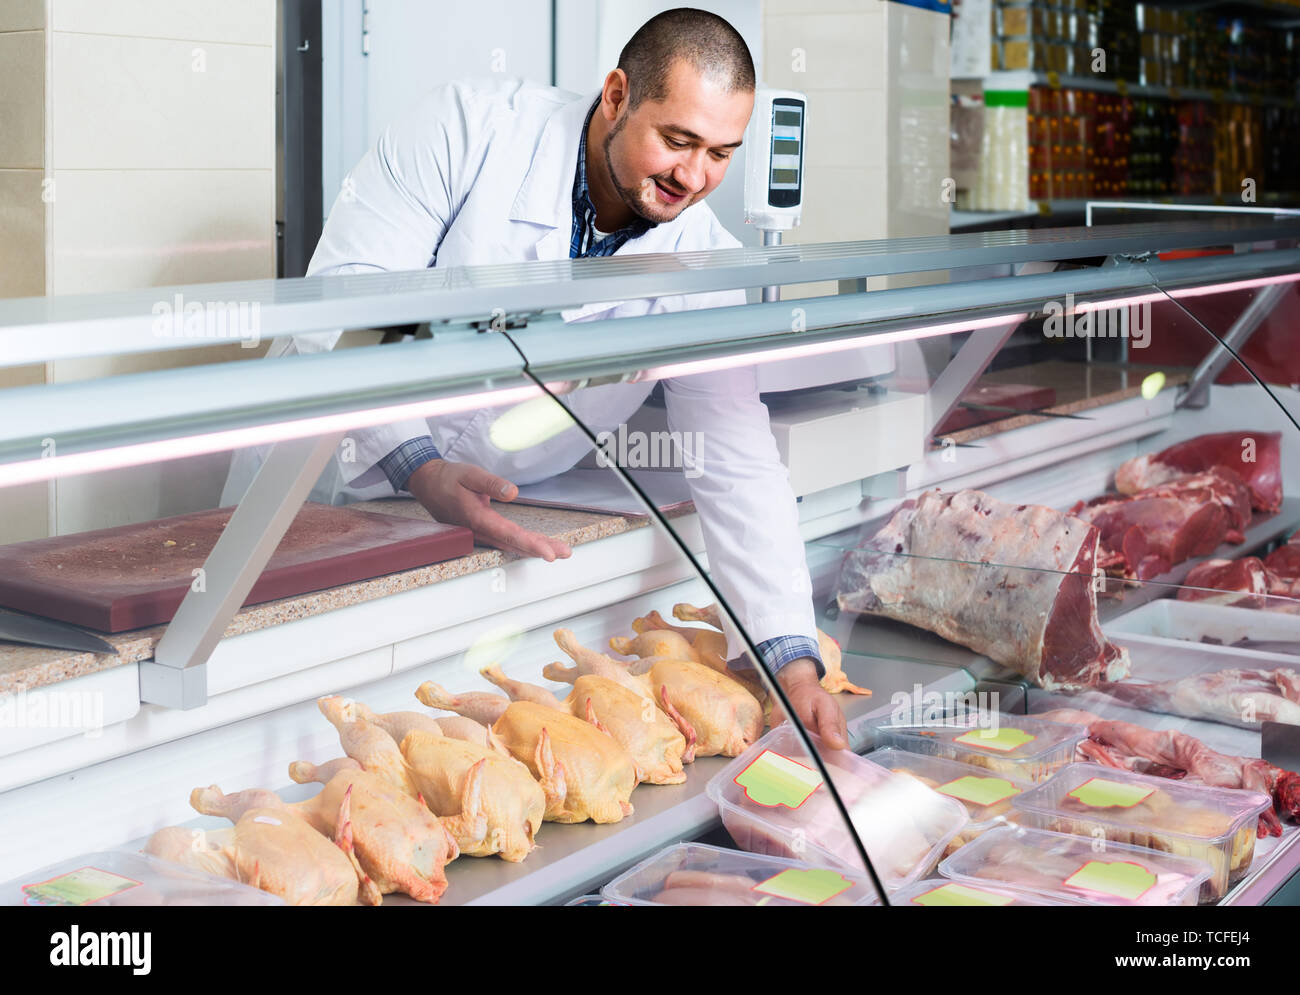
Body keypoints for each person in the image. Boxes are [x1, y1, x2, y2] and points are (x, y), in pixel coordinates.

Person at [223, 8, 847, 748]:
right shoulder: (469, 128)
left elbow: (734, 459)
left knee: (421, 729)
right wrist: (415, 462)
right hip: (325, 479)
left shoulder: (701, 261)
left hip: (483, 526)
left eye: (721, 152)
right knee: (271, 724)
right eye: (677, 141)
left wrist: (790, 659)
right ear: (617, 94)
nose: (693, 176)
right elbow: (343, 302)